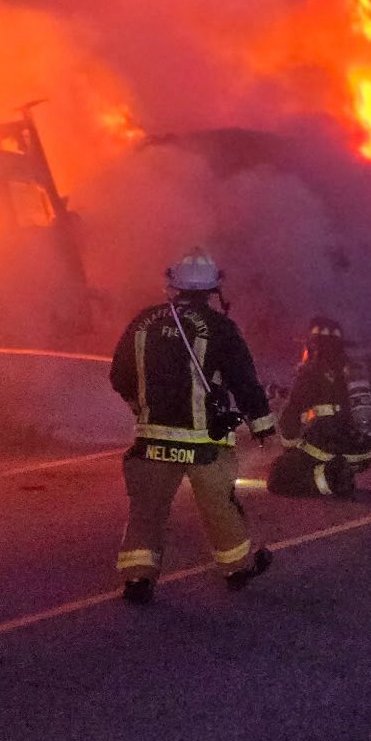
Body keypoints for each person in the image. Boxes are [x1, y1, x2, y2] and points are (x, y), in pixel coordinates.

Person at [109, 247, 278, 604]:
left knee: (146, 510)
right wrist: (262, 424)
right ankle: (238, 569)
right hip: (205, 443)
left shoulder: (143, 321)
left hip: (151, 441)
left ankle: (137, 580)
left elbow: (119, 375)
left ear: (174, 286)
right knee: (220, 505)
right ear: (212, 290)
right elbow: (243, 381)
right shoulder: (220, 327)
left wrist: (142, 409)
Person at [266, 315, 371, 498]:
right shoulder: (353, 368)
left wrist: (291, 450)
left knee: (279, 475)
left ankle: (332, 480)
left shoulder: (310, 372)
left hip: (328, 449)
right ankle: (335, 471)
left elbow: (289, 418)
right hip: (363, 453)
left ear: (314, 346)